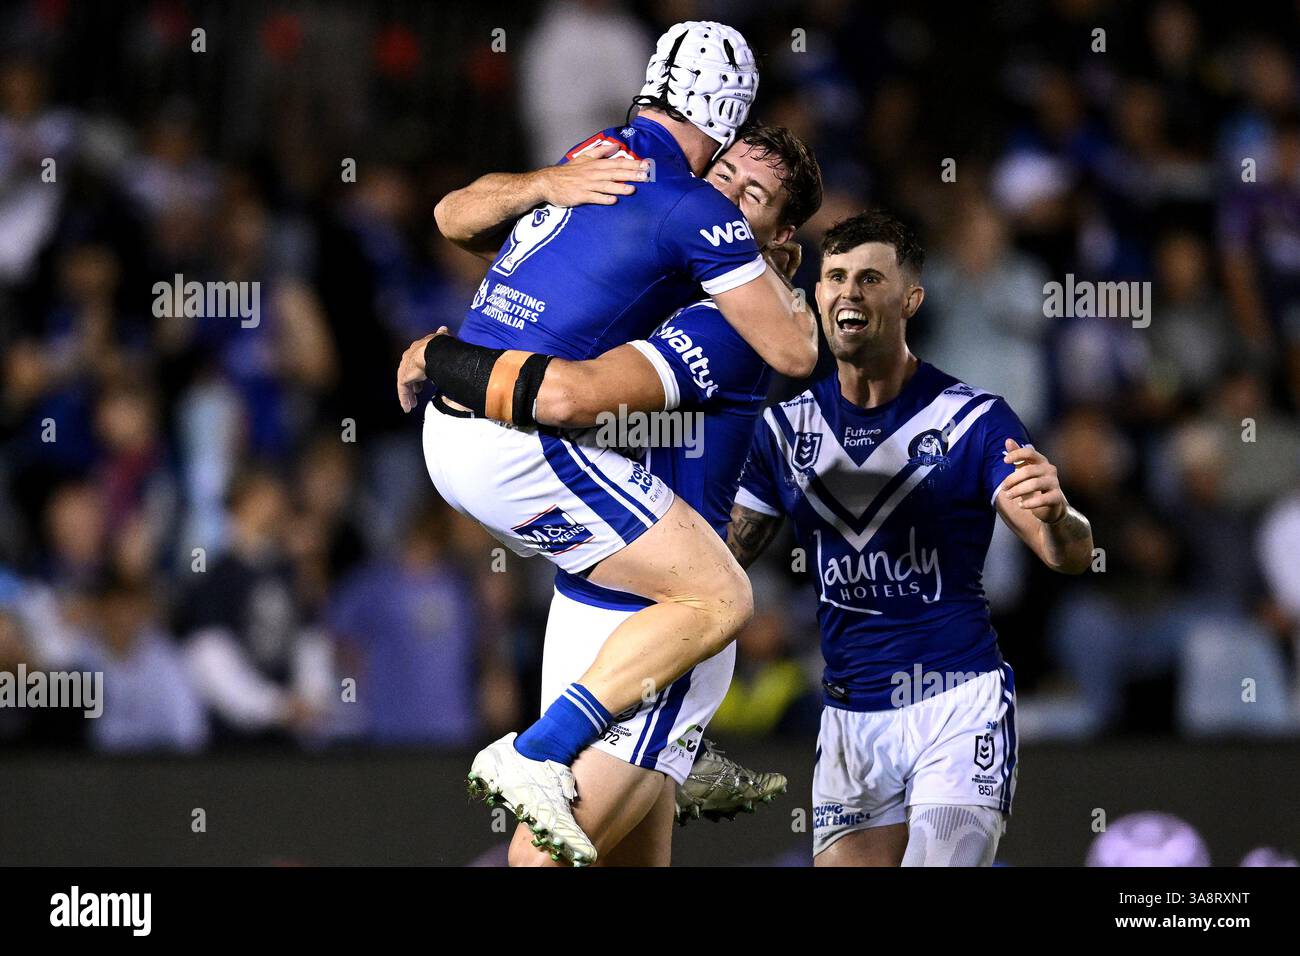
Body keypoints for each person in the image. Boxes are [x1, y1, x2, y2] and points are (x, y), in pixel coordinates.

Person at [397, 21, 817, 864]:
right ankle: (624, 751)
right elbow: (454, 215)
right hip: (603, 601)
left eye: (752, 200)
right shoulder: (650, 213)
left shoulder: (726, 310)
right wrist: (547, 182)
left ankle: (544, 749)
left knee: (544, 858)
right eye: (724, 174)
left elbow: (570, 394)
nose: (726, 199)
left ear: (778, 243)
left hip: (658, 613)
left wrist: (437, 355)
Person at [725, 210, 1094, 865]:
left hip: (956, 704)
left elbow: (1064, 553)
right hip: (849, 717)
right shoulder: (782, 431)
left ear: (911, 299)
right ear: (817, 294)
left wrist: (1063, 514)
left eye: (870, 278)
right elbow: (720, 564)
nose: (849, 292)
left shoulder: (975, 419)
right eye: (836, 276)